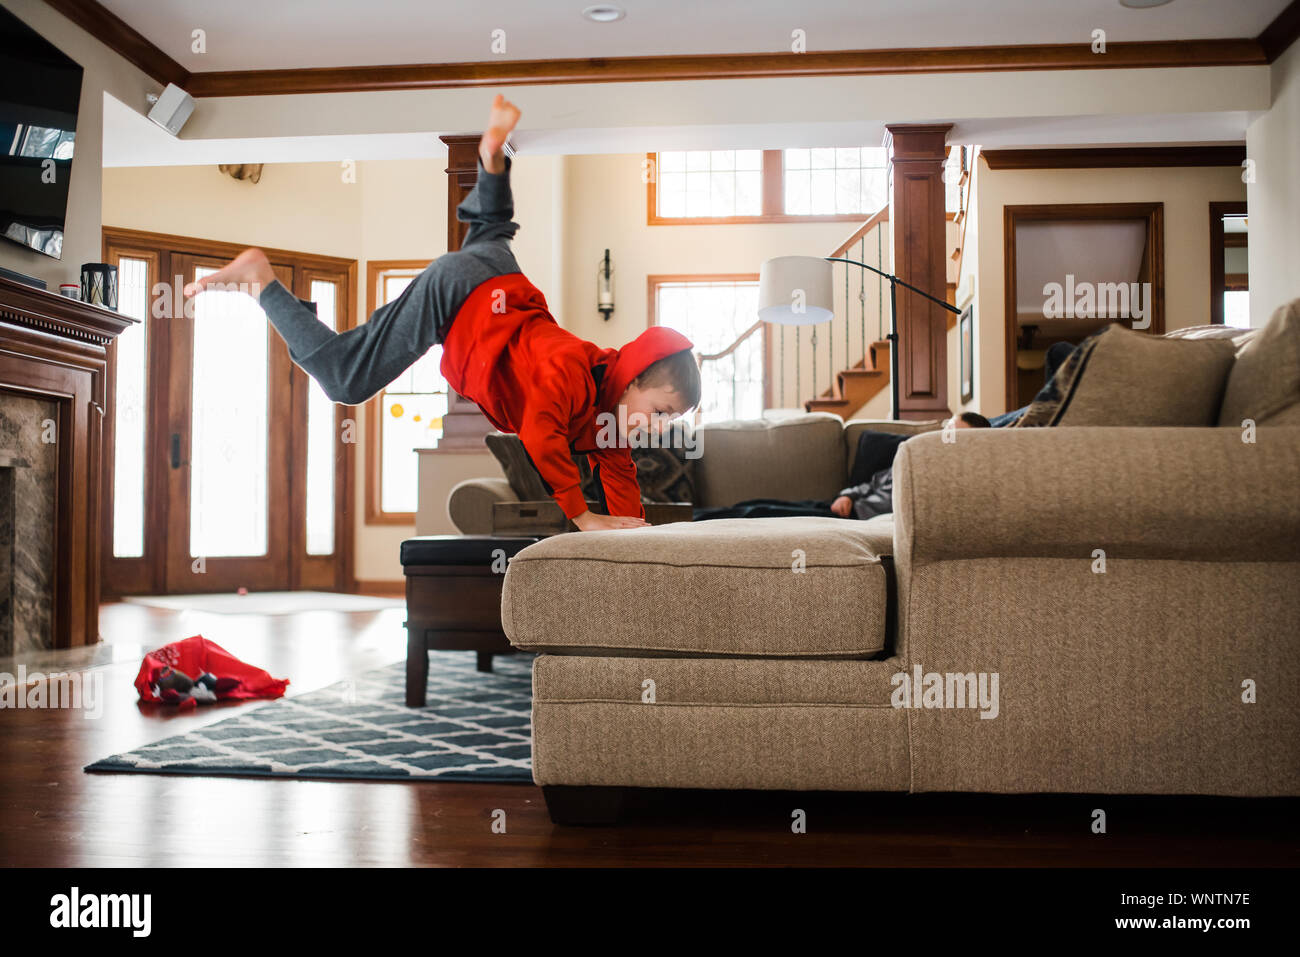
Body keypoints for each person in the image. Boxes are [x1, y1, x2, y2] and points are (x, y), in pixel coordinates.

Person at [184, 95, 701, 533]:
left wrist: (637, 533)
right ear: (632, 379)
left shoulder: (609, 415)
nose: (658, 430)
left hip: (500, 275)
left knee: (492, 229)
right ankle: (262, 282)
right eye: (660, 413)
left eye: (670, 422)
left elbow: (619, 475)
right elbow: (542, 433)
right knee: (345, 378)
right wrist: (583, 516)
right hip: (464, 298)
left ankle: (493, 158)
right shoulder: (570, 369)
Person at [692, 412, 991, 522]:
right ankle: (687, 515)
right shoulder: (914, 456)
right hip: (840, 506)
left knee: (759, 515)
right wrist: (848, 494)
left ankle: (690, 520)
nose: (944, 436)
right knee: (756, 504)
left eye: (954, 434)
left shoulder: (948, 484)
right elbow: (872, 483)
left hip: (852, 520)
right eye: (947, 428)